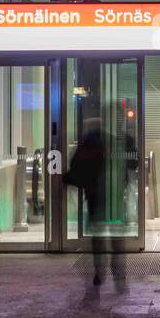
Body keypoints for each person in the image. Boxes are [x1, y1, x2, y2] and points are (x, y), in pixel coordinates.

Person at [63, 118, 128, 291]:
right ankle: (120, 277)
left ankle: (100, 273)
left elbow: (77, 172)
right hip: (115, 203)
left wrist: (65, 179)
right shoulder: (114, 142)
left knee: (98, 241)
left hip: (96, 202)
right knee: (117, 241)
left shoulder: (86, 146)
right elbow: (125, 170)